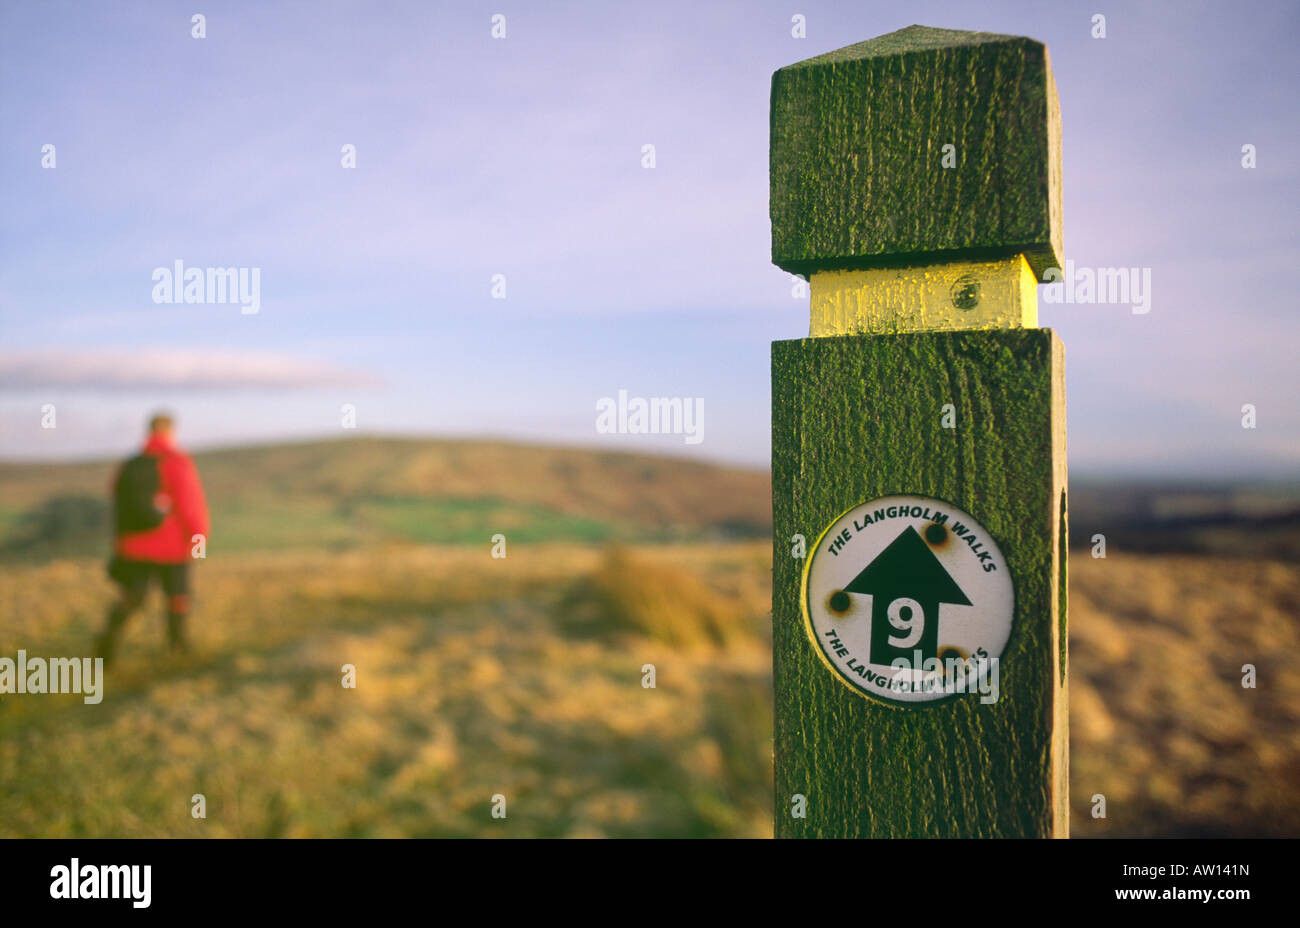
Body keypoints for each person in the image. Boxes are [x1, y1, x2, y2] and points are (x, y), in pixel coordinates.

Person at [95, 412, 210, 664]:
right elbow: (190, 505)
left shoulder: (130, 464)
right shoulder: (176, 462)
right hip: (172, 548)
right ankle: (177, 649)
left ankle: (106, 644)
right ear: (171, 432)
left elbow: (118, 501)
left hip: (134, 547)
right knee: (178, 598)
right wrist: (198, 540)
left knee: (132, 598)